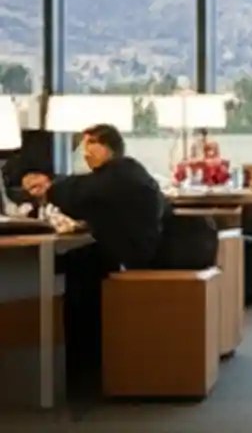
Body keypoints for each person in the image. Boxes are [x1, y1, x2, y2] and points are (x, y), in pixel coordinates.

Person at [21, 124, 167, 400]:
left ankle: (82, 372)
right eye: (83, 146)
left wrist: (48, 189)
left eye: (92, 145)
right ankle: (75, 366)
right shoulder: (125, 172)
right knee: (77, 261)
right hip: (135, 249)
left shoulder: (118, 175)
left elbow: (81, 193)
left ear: (110, 147)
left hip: (129, 256)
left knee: (78, 269)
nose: (85, 153)